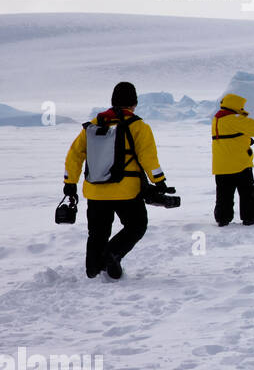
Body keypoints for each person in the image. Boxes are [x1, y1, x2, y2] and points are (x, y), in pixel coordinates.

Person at [62, 82, 172, 280]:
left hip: (95, 191)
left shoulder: (93, 125)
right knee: (137, 225)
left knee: (97, 233)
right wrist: (159, 181)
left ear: (113, 102)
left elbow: (74, 155)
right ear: (133, 104)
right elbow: (149, 157)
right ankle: (113, 253)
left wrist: (70, 183)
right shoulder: (138, 126)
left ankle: (93, 271)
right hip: (126, 190)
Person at [211, 93, 254, 226]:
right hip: (240, 165)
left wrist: (245, 139)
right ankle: (250, 217)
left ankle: (222, 219)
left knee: (224, 195)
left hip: (221, 167)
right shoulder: (236, 119)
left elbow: (230, 137)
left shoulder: (217, 119)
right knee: (248, 193)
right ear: (235, 105)